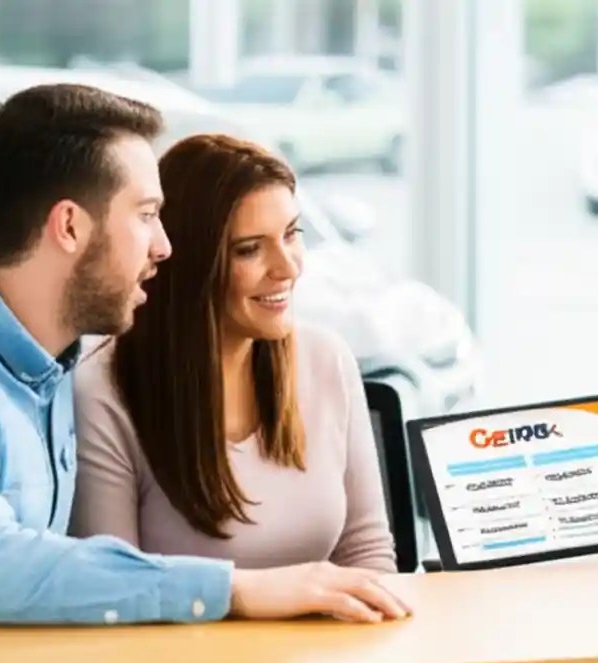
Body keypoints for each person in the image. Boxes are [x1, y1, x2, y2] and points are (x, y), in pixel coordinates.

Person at [0, 83, 408, 626]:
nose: (165, 246)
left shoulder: (49, 368)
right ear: (70, 227)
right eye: (146, 215)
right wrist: (236, 588)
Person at [69, 133, 398, 579]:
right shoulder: (102, 391)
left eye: (291, 234)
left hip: (329, 629)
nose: (287, 267)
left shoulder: (328, 359)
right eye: (249, 249)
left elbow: (367, 551)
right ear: (187, 262)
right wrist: (276, 600)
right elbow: (114, 588)